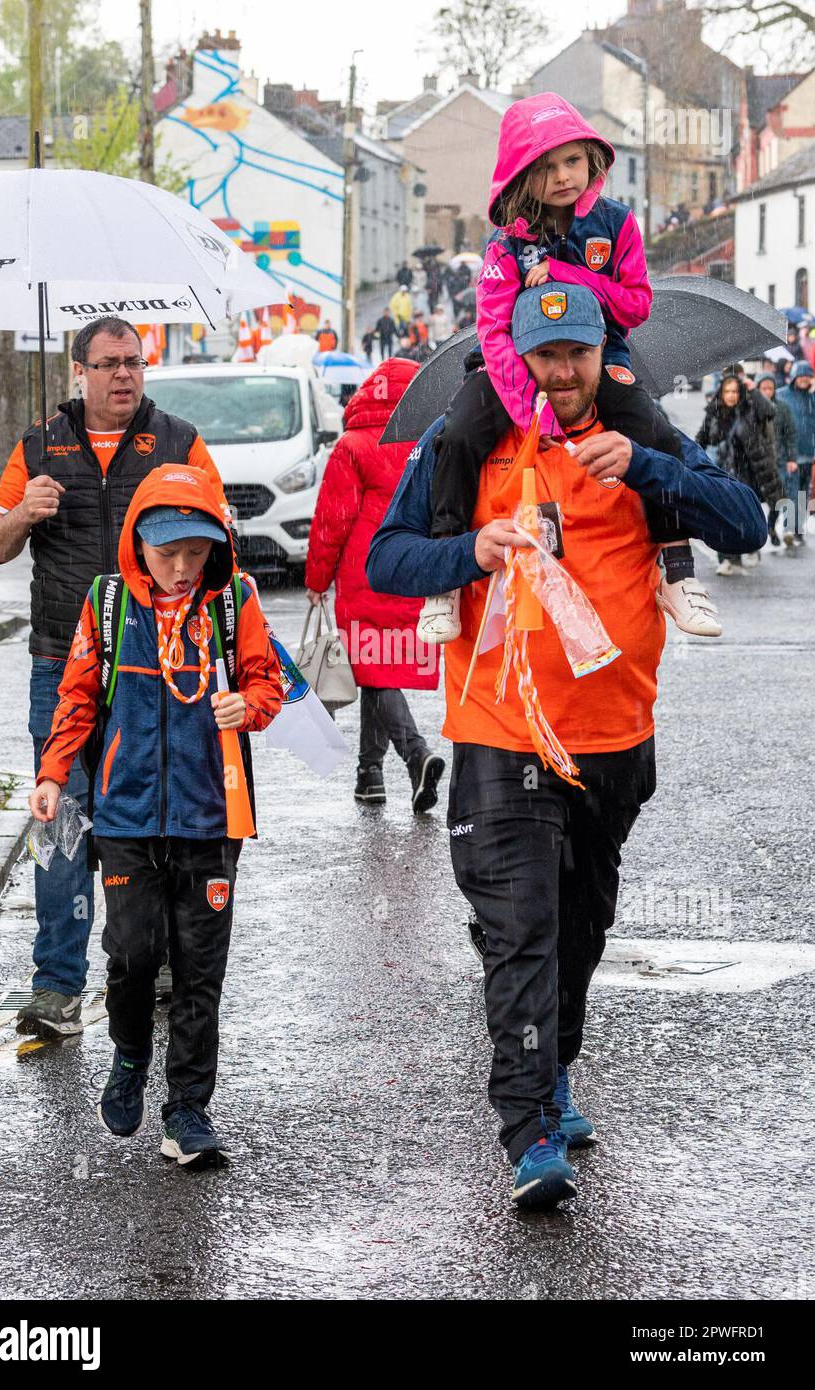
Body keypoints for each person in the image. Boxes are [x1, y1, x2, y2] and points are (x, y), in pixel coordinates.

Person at [367, 284, 766, 1211]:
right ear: (518, 359)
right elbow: (388, 559)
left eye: (576, 354)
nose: (561, 372)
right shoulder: (467, 444)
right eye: (544, 356)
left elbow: (743, 520)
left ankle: (555, 1069)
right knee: (521, 930)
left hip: (614, 735)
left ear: (601, 354)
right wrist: (469, 552)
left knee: (580, 931)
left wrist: (652, 471)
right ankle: (529, 1130)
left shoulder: (642, 437)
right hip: (498, 733)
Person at [0, 315, 233, 1039]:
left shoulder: (178, 442)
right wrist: (24, 513)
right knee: (61, 823)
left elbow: (221, 544)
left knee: (161, 823)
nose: (124, 375)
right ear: (78, 373)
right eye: (109, 363)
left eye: (134, 362)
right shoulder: (39, 445)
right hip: (61, 663)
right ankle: (58, 987)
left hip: (161, 668)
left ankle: (149, 963)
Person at [29, 465, 283, 1164]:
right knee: (132, 956)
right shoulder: (108, 606)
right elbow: (78, 694)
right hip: (126, 818)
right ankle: (132, 1052)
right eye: (166, 551)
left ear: (216, 548)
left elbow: (269, 681)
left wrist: (249, 706)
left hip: (210, 819)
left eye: (195, 552)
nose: (180, 567)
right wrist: (53, 774)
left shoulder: (235, 601)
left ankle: (188, 1113)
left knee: (202, 970)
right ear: (137, 543)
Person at [416, 92, 719, 645]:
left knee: (651, 429)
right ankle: (445, 582)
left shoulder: (617, 224)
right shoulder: (506, 243)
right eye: (546, 166)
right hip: (512, 364)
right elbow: (492, 328)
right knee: (458, 433)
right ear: (520, 176)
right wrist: (531, 408)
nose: (562, 176)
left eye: (572, 161)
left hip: (602, 357)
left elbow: (635, 305)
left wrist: (569, 274)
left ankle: (677, 571)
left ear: (592, 160)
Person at [304, 359, 444, 812]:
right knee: (378, 671)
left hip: (364, 571)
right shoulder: (428, 442)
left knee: (373, 670)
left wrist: (316, 579)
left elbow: (332, 520)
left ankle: (415, 754)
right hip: (411, 565)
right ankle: (370, 775)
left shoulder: (353, 445)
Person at [696, 374, 781, 572]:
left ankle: (751, 547)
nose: (731, 395)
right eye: (727, 391)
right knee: (724, 515)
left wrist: (754, 390)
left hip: (749, 472)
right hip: (723, 472)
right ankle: (727, 558)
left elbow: (770, 411)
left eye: (735, 391)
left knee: (746, 514)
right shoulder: (715, 412)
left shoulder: (750, 409)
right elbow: (702, 438)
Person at [756, 372, 798, 545]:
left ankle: (771, 526)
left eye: (770, 388)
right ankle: (759, 531)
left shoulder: (782, 408)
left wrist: (791, 458)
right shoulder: (751, 407)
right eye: (763, 388)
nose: (767, 391)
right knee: (757, 498)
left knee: (778, 497)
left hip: (778, 460)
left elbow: (790, 434)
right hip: (757, 462)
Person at [777, 361, 815, 546]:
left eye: (807, 376)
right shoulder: (782, 395)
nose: (804, 379)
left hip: (809, 453)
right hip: (789, 454)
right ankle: (789, 528)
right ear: (794, 377)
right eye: (801, 376)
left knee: (802, 493)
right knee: (791, 492)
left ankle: (798, 529)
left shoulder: (812, 396)